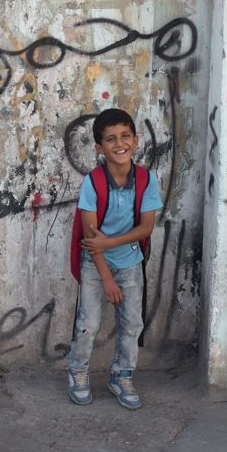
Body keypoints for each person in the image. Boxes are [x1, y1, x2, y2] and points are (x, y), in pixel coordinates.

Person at [66, 108, 163, 409]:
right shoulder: (93, 183)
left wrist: (113, 242)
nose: (119, 144)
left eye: (125, 136)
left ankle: (121, 376)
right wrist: (107, 278)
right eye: (110, 139)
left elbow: (146, 227)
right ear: (99, 147)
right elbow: (91, 240)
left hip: (131, 263)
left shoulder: (146, 180)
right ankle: (78, 371)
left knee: (132, 324)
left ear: (135, 141)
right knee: (88, 324)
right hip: (95, 265)